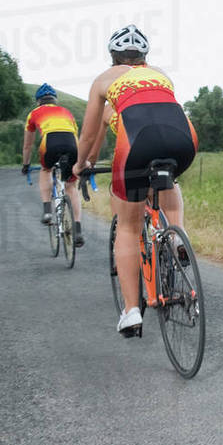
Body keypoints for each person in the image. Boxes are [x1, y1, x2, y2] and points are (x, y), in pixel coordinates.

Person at [73, 24, 198, 337]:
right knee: (171, 183)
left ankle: (131, 312)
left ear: (113, 56)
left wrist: (79, 164)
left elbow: (89, 134)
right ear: (144, 56)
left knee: (127, 227)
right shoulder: (160, 74)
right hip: (184, 138)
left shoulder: (104, 79)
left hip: (137, 143)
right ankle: (176, 237)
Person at [22, 83, 85, 247]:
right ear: (55, 100)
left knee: (46, 169)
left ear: (38, 101)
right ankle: (77, 230)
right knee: (71, 185)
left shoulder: (34, 113)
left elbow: (27, 145)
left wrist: (26, 165)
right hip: (72, 144)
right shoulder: (67, 112)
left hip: (50, 142)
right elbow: (75, 134)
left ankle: (47, 211)